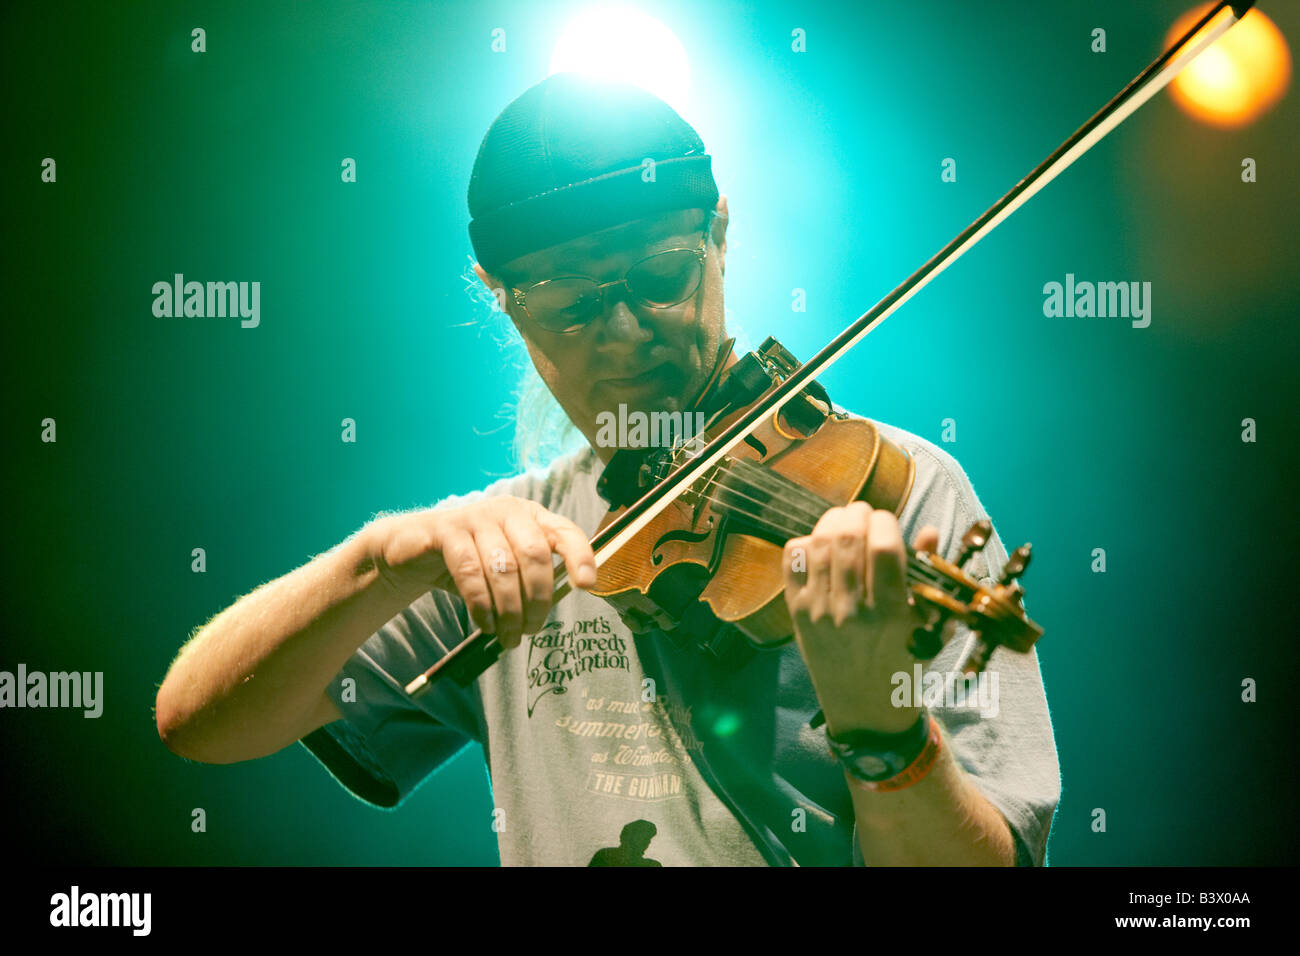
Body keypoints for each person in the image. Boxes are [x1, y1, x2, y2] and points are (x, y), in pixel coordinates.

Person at [155, 73, 1060, 866]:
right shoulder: (502, 549)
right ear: (501, 300)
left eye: (660, 276)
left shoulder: (898, 487)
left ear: (719, 231)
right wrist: (381, 557)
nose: (625, 335)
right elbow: (199, 724)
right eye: (567, 306)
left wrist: (881, 725)